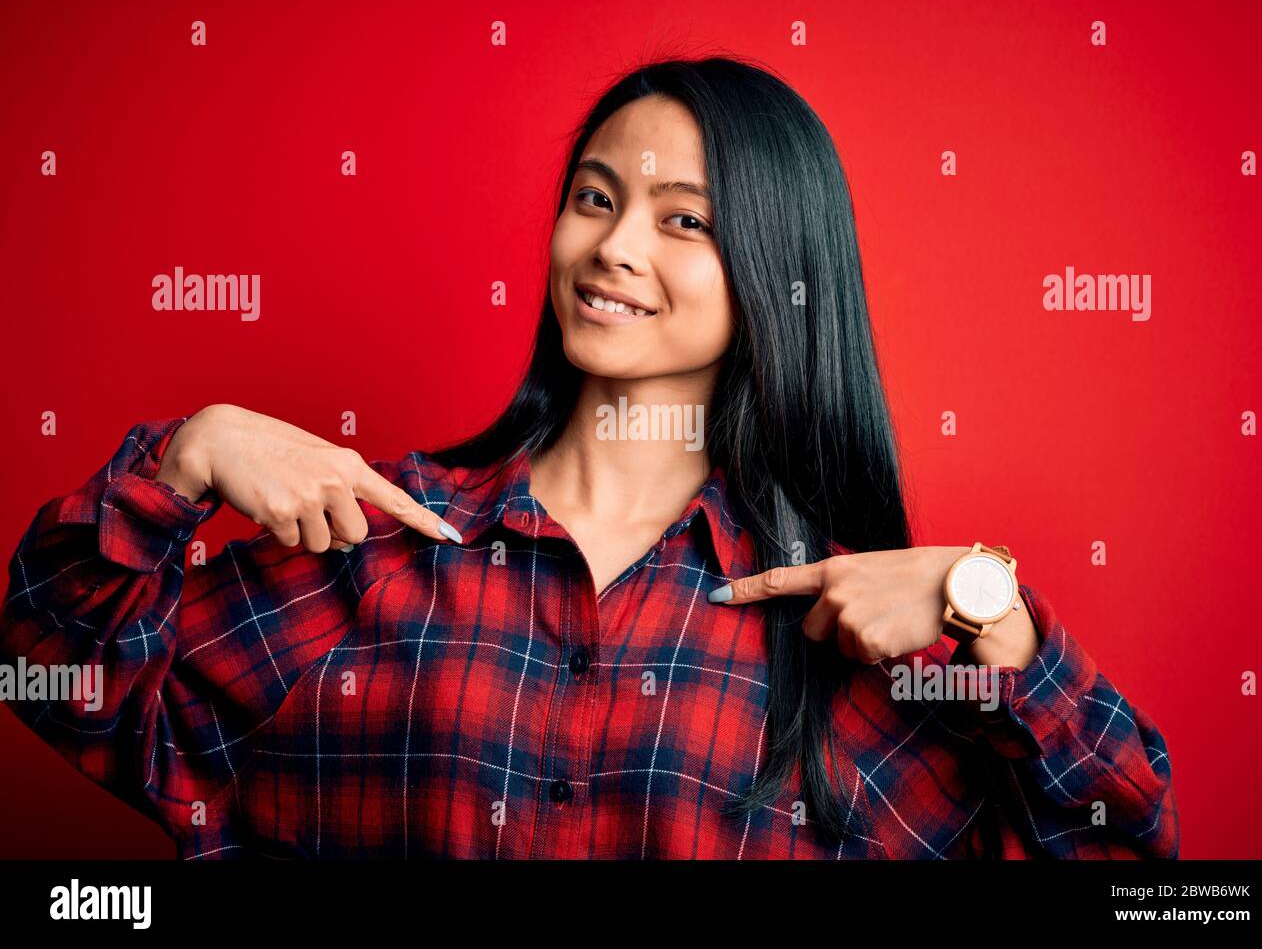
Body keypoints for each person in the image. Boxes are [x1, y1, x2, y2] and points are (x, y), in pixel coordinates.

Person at [0, 56, 1177, 859]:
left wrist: (995, 620)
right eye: (593, 197)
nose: (612, 246)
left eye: (683, 218)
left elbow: (1138, 867)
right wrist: (191, 454)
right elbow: (54, 668)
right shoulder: (379, 546)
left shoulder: (853, 634)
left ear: (777, 266)